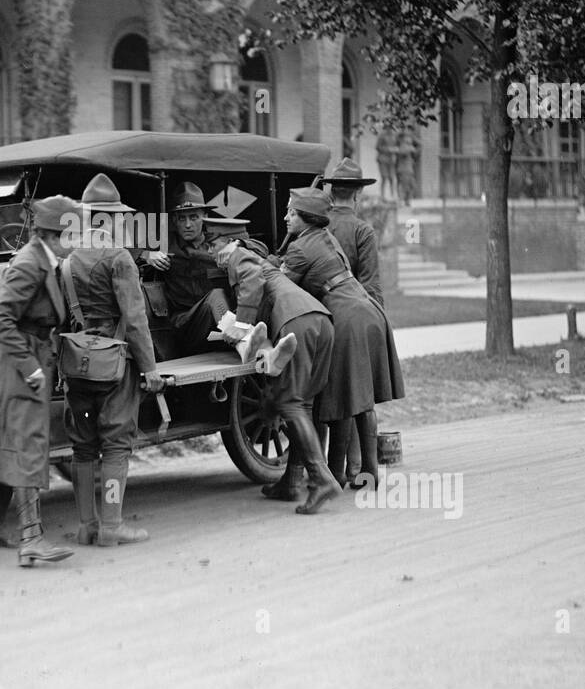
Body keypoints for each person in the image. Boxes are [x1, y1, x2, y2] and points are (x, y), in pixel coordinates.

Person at [0, 194, 81, 567]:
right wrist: (31, 368)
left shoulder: (44, 259)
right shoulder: (29, 263)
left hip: (19, 357)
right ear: (56, 233)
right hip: (14, 362)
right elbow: (1, 320)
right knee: (26, 445)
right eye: (72, 232)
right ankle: (32, 539)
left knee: (10, 444)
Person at [204, 216, 341, 514]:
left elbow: (253, 281)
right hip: (319, 320)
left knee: (290, 402)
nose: (211, 250)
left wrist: (240, 325)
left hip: (295, 323)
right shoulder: (254, 256)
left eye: (213, 244)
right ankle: (291, 481)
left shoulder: (239, 256)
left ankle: (322, 479)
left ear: (230, 242)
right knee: (302, 404)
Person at [278, 188, 405, 493]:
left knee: (338, 399)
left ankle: (334, 474)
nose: (286, 217)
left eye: (291, 213)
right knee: (362, 399)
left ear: (306, 217)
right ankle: (368, 474)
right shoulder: (325, 237)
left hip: (346, 318)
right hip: (368, 312)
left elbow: (280, 283)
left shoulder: (299, 248)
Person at [63, 174, 166, 547]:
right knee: (116, 444)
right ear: (109, 218)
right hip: (115, 362)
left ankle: (86, 525)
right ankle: (111, 525)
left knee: (83, 446)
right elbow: (135, 320)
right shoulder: (119, 258)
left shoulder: (67, 258)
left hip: (76, 363)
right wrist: (151, 369)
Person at [140, 182, 234, 354]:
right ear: (174, 221)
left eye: (194, 217)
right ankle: (243, 343)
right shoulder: (165, 243)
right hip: (183, 325)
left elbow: (260, 249)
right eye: (182, 218)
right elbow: (120, 249)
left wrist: (237, 246)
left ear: (205, 216)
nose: (188, 224)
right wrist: (146, 254)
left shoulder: (220, 240)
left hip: (216, 322)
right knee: (216, 295)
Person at [323, 157, 384, 307]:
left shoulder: (316, 224)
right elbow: (370, 287)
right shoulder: (363, 231)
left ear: (332, 192)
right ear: (357, 193)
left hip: (317, 311)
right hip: (351, 311)